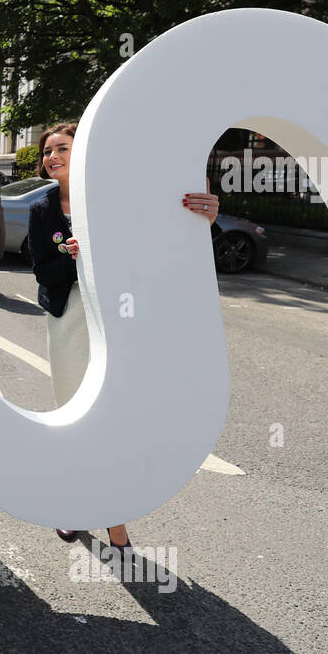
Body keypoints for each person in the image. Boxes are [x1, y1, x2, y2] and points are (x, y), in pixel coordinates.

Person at [27, 121, 218, 554]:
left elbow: (160, 243)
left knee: (112, 421)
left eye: (62, 148)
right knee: (73, 420)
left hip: (116, 322)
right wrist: (70, 255)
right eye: (47, 151)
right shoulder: (42, 208)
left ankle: (116, 521)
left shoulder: (115, 197)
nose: (52, 156)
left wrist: (205, 216)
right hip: (68, 320)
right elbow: (43, 271)